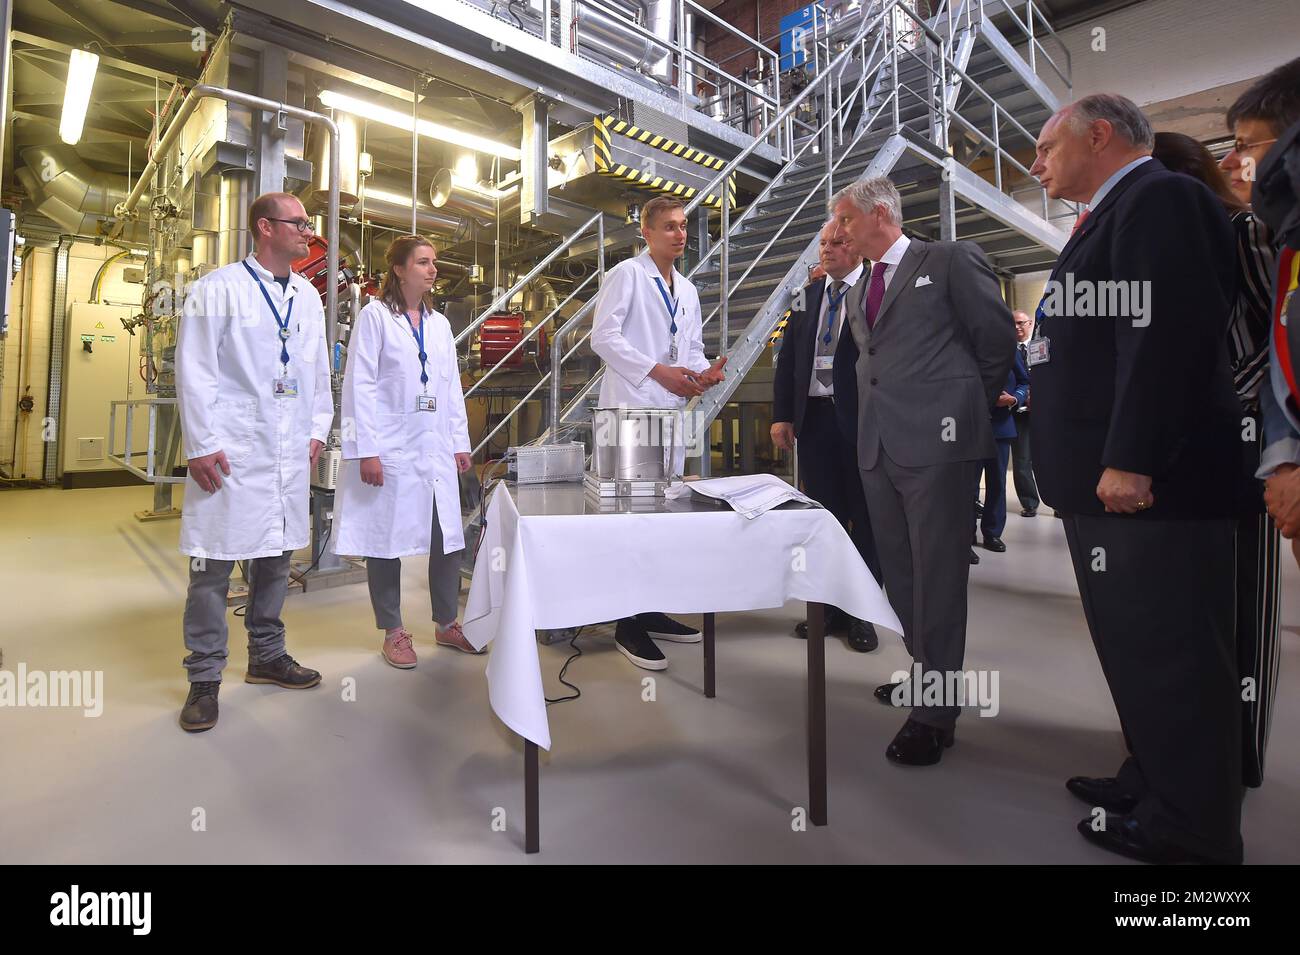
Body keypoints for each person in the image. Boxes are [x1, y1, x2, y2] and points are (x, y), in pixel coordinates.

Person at [1029, 94, 1243, 864]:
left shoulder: (1162, 200)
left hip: (1151, 488)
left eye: (1048, 146)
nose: (1037, 162)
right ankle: (1151, 777)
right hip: (1106, 490)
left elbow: (1169, 335)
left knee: (1174, 658)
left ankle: (1192, 830)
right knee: (1134, 649)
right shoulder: (1108, 218)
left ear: (1099, 135)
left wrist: (1134, 455)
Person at [830, 177, 1014, 766]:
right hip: (879, 449)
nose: (839, 232)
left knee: (937, 577)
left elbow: (994, 343)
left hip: (939, 447)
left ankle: (936, 714)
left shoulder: (951, 260)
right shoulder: (859, 291)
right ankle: (928, 674)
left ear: (879, 214)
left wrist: (961, 414)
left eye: (845, 221)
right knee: (903, 575)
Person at [175, 192, 333, 732]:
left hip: (287, 449)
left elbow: (315, 372)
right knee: (212, 565)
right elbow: (193, 369)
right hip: (232, 448)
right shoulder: (215, 290)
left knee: (275, 558)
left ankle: (266, 656)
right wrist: (199, 442)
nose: (308, 232)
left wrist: (317, 430)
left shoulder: (309, 297)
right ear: (264, 228)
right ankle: (204, 678)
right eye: (299, 224)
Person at [1155, 129, 1281, 789]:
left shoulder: (1245, 230)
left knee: (1246, 603)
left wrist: (1231, 401)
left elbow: (1273, 338)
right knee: (1203, 608)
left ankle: (1244, 753)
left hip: (1250, 439)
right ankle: (1201, 746)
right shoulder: (1180, 245)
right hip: (1194, 444)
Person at [590, 195, 728, 671]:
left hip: (669, 417)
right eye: (669, 226)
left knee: (660, 518)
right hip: (629, 412)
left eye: (684, 226)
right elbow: (602, 337)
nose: (680, 233)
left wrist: (702, 372)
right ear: (646, 233)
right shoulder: (626, 275)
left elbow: (688, 349)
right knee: (630, 519)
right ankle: (626, 622)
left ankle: (648, 608)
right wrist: (656, 371)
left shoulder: (686, 290)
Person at [332, 235, 477, 667]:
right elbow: (359, 385)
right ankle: (393, 631)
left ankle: (447, 622)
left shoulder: (439, 323)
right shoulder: (375, 317)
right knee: (384, 539)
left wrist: (460, 442)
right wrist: (366, 450)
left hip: (434, 445)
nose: (432, 270)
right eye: (422, 263)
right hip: (392, 446)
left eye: (434, 262)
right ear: (398, 269)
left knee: (448, 535)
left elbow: (450, 388)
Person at [772, 218, 881, 653]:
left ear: (858, 247)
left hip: (863, 421)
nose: (827, 250)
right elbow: (788, 359)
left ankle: (864, 611)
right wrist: (783, 415)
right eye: (822, 244)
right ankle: (829, 607)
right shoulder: (806, 296)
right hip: (814, 421)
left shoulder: (877, 290)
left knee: (865, 518)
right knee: (825, 518)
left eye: (837, 242)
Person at [976, 346, 1029, 552]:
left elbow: (1024, 381)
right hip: (969, 426)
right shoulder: (965, 346)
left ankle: (992, 532)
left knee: (997, 482)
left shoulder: (1009, 350)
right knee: (968, 485)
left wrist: (1014, 398)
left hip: (1001, 426)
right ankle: (966, 534)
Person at [1009, 311, 1040, 517]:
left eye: (1020, 323)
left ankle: (1057, 503)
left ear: (1030, 323)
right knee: (1021, 460)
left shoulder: (1042, 345)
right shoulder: (1006, 350)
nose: (1017, 328)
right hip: (1018, 413)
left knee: (1049, 458)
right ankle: (1030, 503)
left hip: (1043, 412)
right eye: (1013, 324)